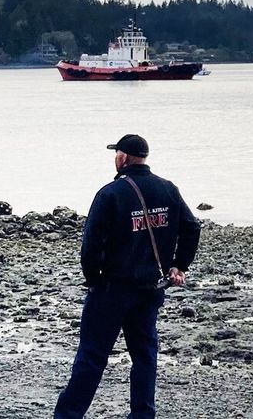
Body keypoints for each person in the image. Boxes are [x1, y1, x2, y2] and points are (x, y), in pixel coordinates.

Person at [54, 134, 202, 419]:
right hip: (150, 287)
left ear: (123, 158)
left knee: (92, 357)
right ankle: (143, 415)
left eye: (116, 153)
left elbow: (91, 245)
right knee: (145, 356)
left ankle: (68, 416)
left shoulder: (110, 193)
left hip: (112, 288)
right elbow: (191, 227)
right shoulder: (167, 189)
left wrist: (93, 280)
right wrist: (179, 265)